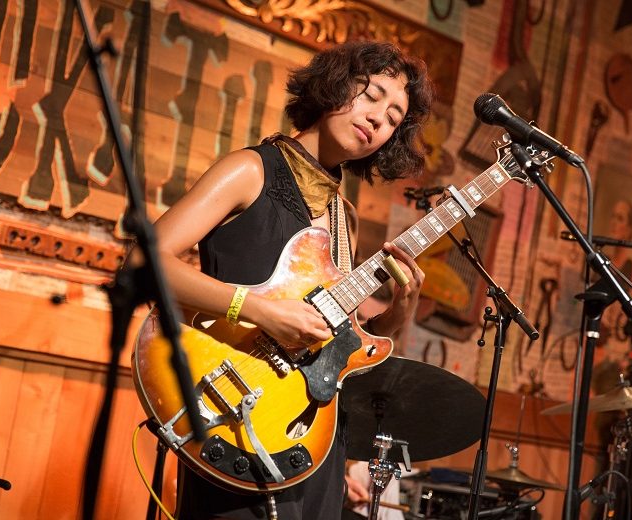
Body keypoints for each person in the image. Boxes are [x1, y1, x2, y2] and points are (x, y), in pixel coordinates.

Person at [139, 40, 433, 519]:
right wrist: (255, 309)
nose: (380, 118)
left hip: (311, 438)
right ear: (335, 84)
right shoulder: (249, 170)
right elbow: (144, 263)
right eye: (372, 94)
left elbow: (342, 347)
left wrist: (400, 311)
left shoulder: (345, 218)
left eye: (395, 118)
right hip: (233, 413)